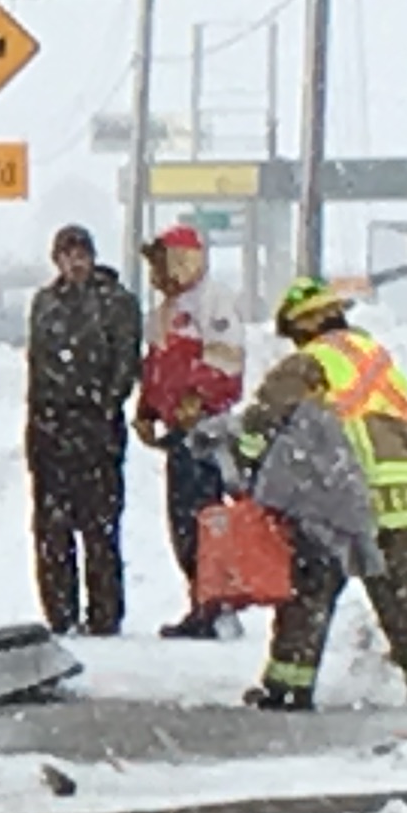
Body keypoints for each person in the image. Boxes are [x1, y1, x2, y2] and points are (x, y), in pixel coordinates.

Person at [234, 278, 407, 715]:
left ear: (308, 322)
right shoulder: (380, 363)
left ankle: (288, 685)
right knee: (405, 589)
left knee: (312, 587)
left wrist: (245, 462)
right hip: (405, 495)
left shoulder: (311, 362)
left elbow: (266, 416)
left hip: (345, 496)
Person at [23, 224, 146, 635]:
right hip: (50, 431)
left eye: (81, 254)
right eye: (67, 255)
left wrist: (102, 408)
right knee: (52, 530)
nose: (75, 263)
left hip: (96, 431)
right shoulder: (44, 304)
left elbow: (125, 363)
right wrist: (39, 425)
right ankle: (60, 612)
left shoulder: (115, 302)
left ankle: (104, 614)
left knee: (99, 527)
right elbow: (37, 369)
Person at [133, 223, 252, 638]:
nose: (157, 271)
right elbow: (155, 367)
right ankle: (200, 599)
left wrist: (198, 399)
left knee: (206, 519)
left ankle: (216, 605)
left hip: (207, 432)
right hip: (178, 434)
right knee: (182, 522)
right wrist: (147, 409)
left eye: (163, 260)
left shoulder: (215, 302)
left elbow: (228, 362)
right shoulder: (163, 312)